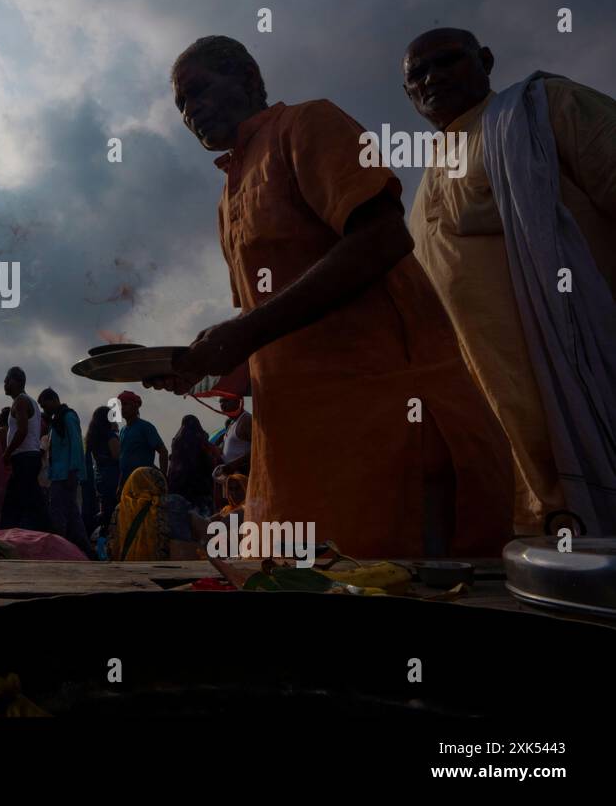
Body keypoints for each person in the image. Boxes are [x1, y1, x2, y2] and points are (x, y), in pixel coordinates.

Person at [151, 35, 512, 557]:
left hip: (387, 436)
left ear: (249, 79)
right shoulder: (228, 192)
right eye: (182, 104)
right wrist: (195, 370)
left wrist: (242, 333)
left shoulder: (308, 124)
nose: (191, 111)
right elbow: (270, 339)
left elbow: (384, 237)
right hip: (301, 453)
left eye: (199, 91)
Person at [403, 28, 616, 535]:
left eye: (447, 61)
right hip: (502, 444)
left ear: (487, 60)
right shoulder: (424, 183)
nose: (432, 77)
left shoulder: (544, 109)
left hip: (588, 398)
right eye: (417, 75)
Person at [37, 388, 92, 555]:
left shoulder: (68, 417)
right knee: (72, 515)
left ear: (54, 399)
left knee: (58, 514)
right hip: (58, 475)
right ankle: (85, 551)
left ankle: (59, 550)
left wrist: (73, 472)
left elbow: (76, 445)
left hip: (66, 475)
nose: (44, 409)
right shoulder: (56, 422)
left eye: (44, 405)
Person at [0, 367, 46, 530]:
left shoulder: (20, 401)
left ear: (17, 381)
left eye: (7, 380)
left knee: (13, 505)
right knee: (32, 503)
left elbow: (22, 431)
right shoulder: (29, 401)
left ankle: (9, 535)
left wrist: (7, 452)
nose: (4, 383)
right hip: (29, 457)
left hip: (24, 459)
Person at [167, 414, 221, 513]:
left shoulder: (177, 444)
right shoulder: (201, 440)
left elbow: (171, 467)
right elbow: (216, 456)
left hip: (179, 490)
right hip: (201, 490)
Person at [115, 390, 168, 487]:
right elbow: (123, 460)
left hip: (144, 482)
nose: (122, 408)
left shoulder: (145, 427)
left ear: (135, 406)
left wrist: (162, 477)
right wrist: (120, 485)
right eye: (120, 405)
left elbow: (163, 452)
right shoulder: (123, 431)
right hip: (128, 484)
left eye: (125, 404)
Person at [84, 405, 121, 533]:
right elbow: (117, 456)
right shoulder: (110, 436)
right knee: (114, 511)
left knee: (105, 509)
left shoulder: (93, 437)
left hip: (99, 477)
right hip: (112, 477)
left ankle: (102, 538)